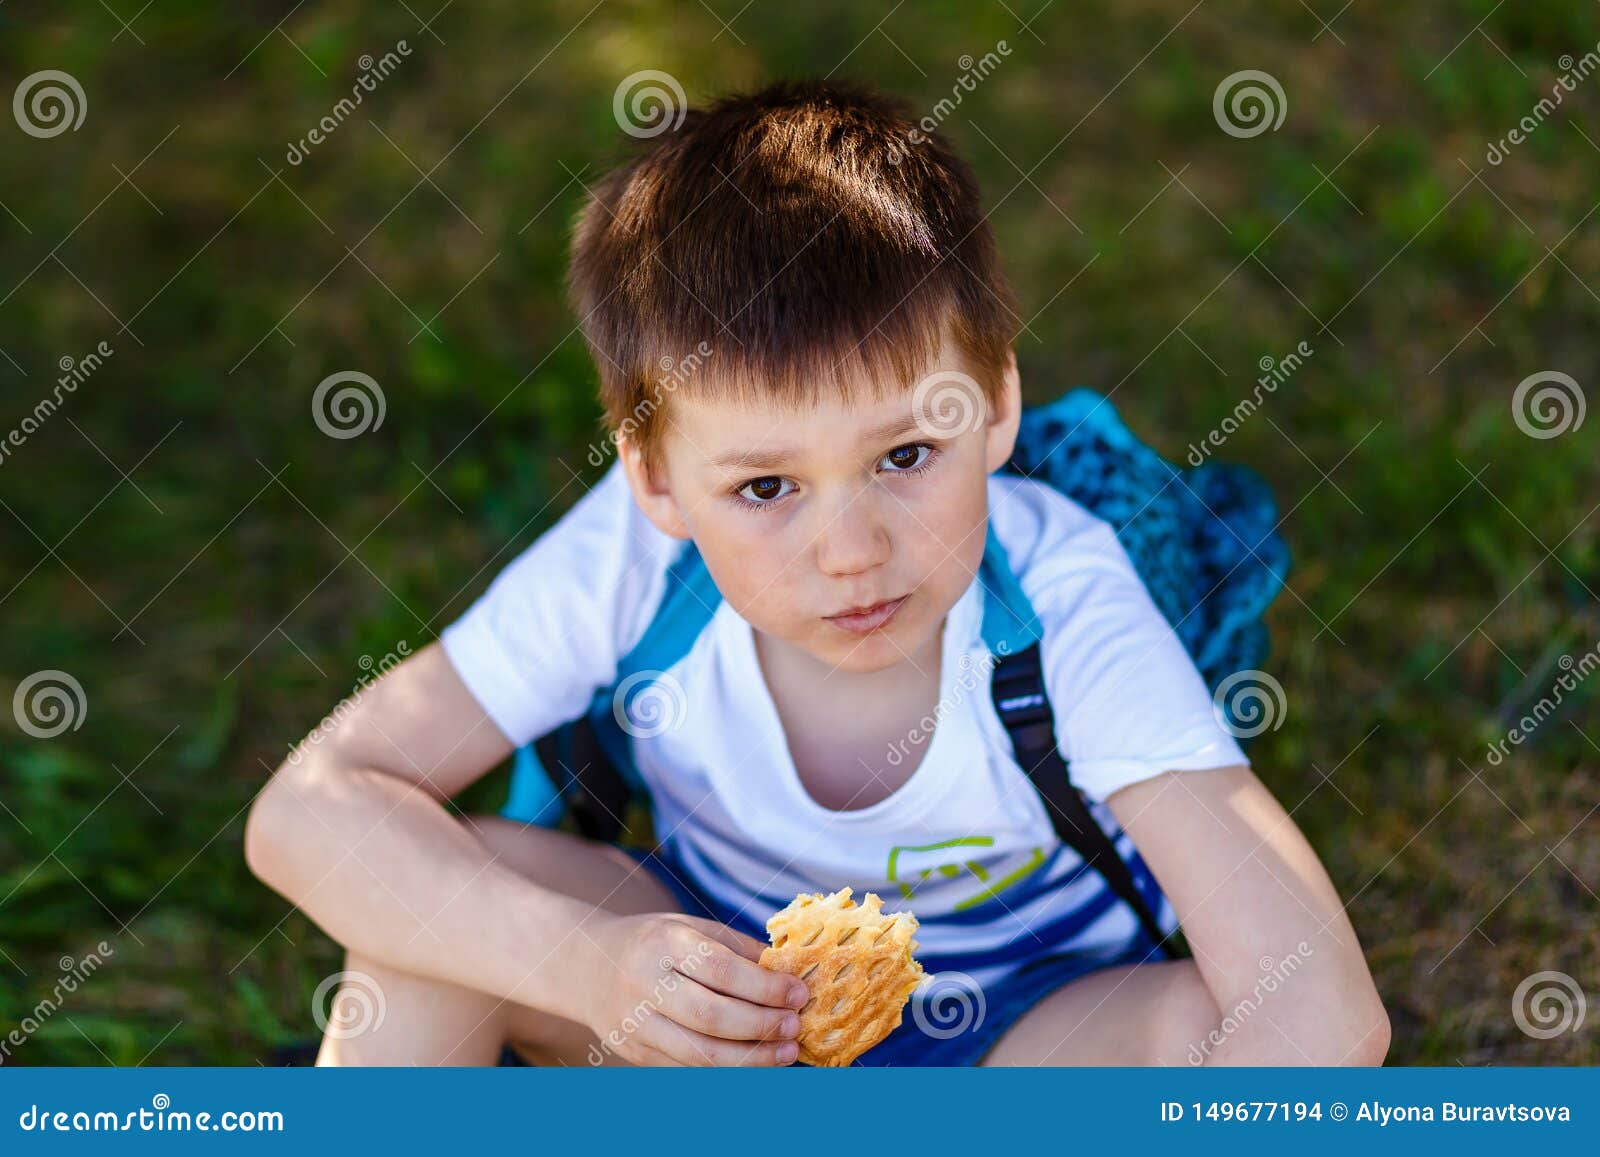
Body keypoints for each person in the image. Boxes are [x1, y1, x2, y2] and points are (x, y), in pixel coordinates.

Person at [244, 79, 1389, 1067]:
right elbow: (308, 809)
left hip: (1032, 1029)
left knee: (1199, 1028)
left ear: (992, 407)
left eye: (904, 455)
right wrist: (587, 963)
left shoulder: (1061, 599)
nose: (851, 551)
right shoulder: (635, 562)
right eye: (764, 488)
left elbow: (1322, 1008)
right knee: (440, 901)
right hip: (710, 1005)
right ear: (657, 479)